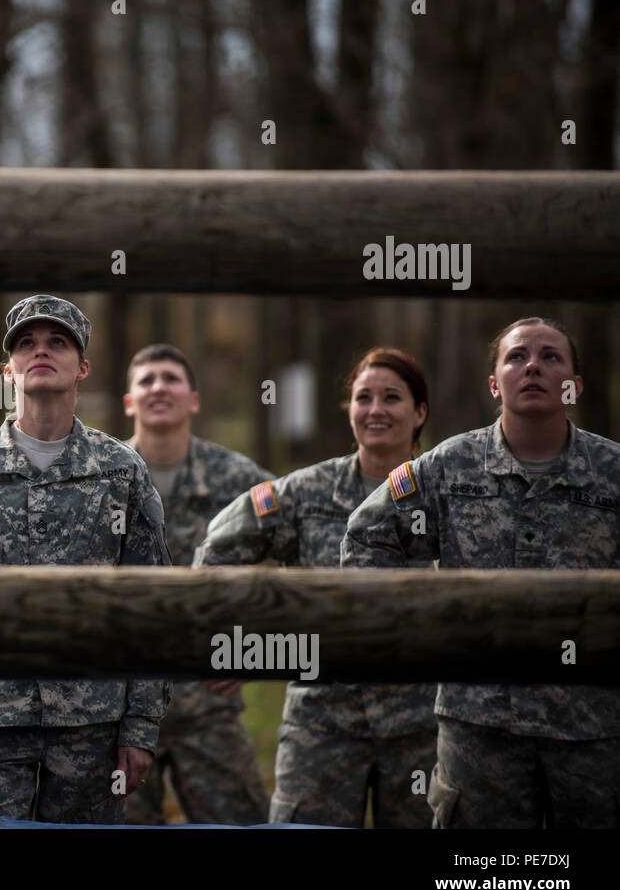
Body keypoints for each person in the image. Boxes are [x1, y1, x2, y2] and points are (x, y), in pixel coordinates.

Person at [0, 295, 173, 824]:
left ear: (83, 367)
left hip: (93, 725)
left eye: (57, 343)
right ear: (8, 371)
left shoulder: (122, 471)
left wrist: (141, 725)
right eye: (26, 344)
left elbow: (152, 605)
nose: (40, 351)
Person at [343, 319, 620, 828]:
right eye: (516, 357)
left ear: (574, 387)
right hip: (479, 727)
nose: (533, 365)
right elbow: (367, 540)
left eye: (551, 357)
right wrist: (417, 630)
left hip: (593, 727)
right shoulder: (450, 466)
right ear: (494, 384)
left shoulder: (613, 473)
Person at [196, 347, 437, 827]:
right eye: (363, 397)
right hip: (322, 724)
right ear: (348, 410)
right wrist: (251, 644)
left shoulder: (445, 490)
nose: (375, 410)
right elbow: (216, 554)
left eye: (392, 397)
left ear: (419, 412)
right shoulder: (303, 493)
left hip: (422, 724)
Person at [120, 343, 270, 826]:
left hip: (208, 706)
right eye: (146, 380)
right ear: (129, 401)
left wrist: (262, 645)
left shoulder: (238, 480)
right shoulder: (96, 476)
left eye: (170, 378)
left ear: (194, 400)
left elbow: (301, 556)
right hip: (113, 712)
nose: (158, 387)